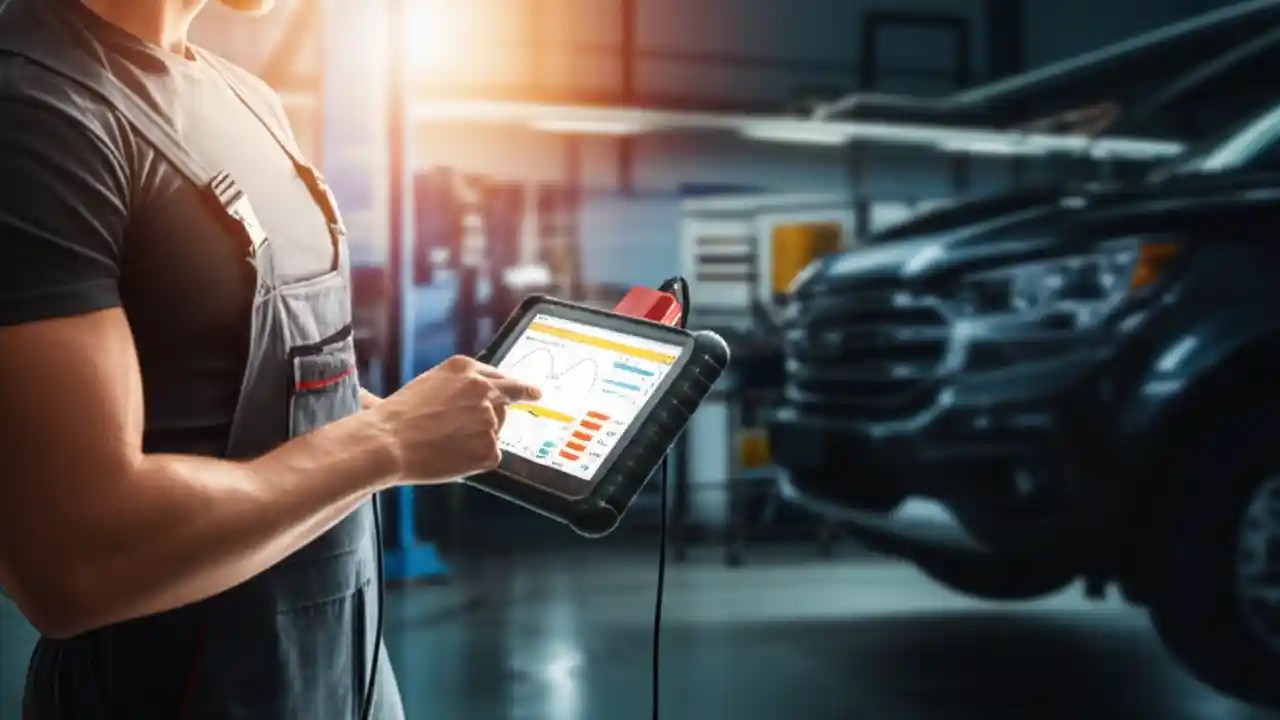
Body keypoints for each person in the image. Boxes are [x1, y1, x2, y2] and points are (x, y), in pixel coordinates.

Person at [0, 0, 540, 717]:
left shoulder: (246, 98)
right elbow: (76, 558)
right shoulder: (36, 109)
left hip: (341, 677)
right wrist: (388, 443)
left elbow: (270, 393)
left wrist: (420, 419)